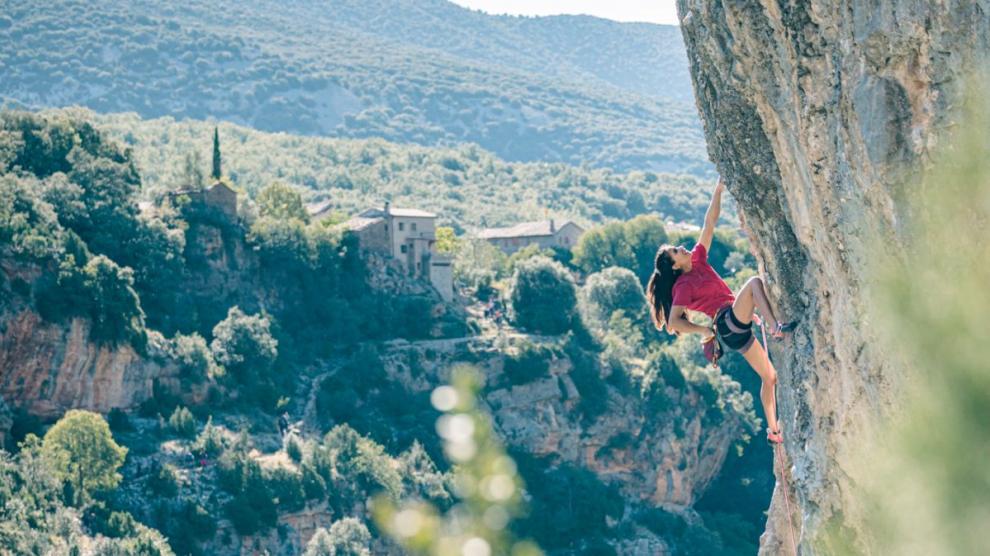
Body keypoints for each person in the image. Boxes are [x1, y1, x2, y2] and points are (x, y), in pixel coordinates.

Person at [646, 176, 795, 444]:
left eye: (678, 247)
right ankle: (776, 328)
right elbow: (673, 322)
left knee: (770, 377)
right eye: (676, 252)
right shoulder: (683, 286)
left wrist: (718, 189)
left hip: (735, 326)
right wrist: (703, 329)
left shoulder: (699, 259)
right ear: (676, 266)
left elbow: (709, 222)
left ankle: (773, 431)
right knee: (753, 284)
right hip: (726, 323)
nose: (682, 247)